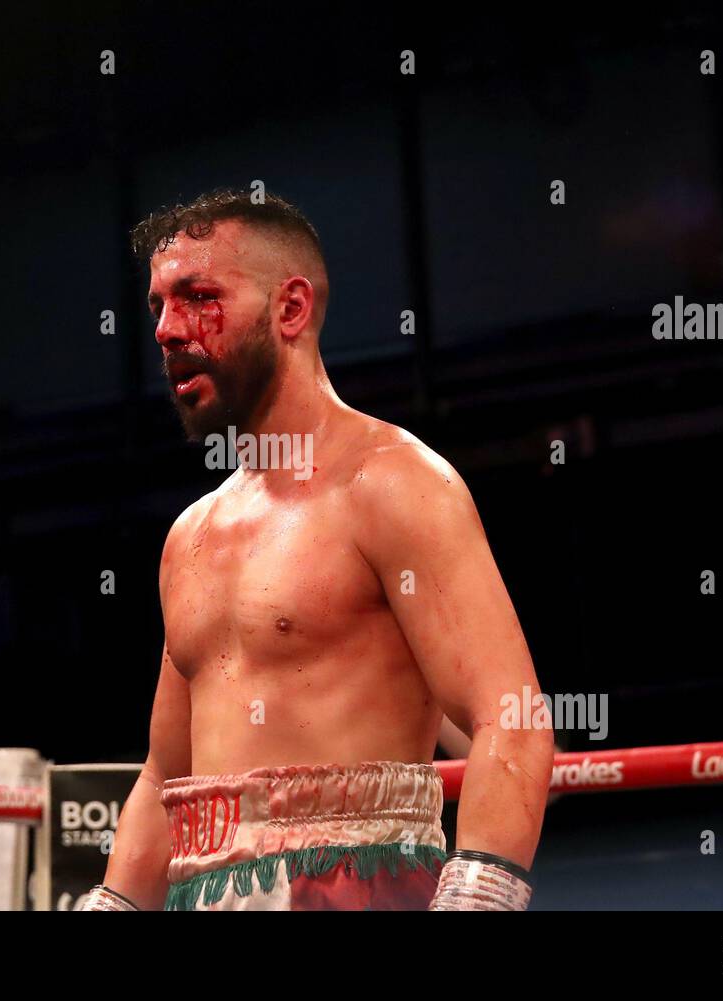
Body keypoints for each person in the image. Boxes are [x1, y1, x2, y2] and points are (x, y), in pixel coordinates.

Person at [78, 189, 553, 911]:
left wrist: (476, 901)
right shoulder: (191, 536)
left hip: (357, 890)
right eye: (157, 308)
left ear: (291, 309)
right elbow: (162, 777)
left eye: (198, 296)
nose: (169, 331)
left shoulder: (393, 483)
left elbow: (510, 717)